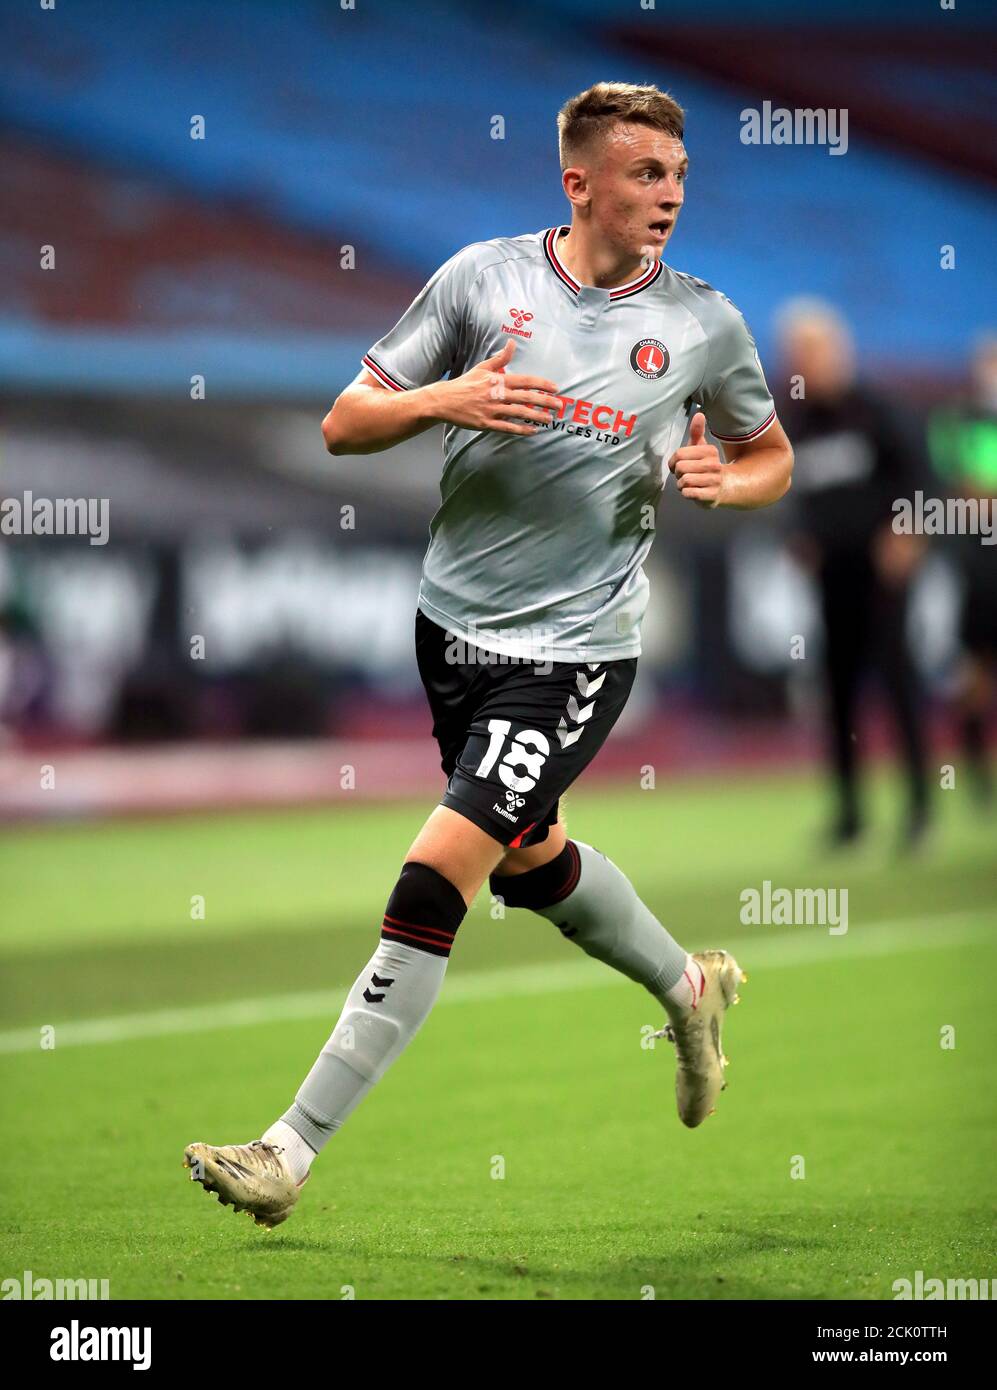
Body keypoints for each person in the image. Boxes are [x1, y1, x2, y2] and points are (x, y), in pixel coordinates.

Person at [184, 81, 793, 1229]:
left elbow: (770, 456)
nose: (667, 196)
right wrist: (447, 397)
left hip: (578, 654)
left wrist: (726, 479)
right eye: (643, 175)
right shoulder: (481, 281)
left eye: (677, 176)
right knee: (527, 856)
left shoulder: (705, 322)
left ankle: (286, 1153)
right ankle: (688, 986)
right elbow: (343, 421)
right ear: (579, 183)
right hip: (451, 631)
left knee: (436, 877)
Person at [776, 300, 931, 852]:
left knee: (898, 687)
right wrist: (798, 539)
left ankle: (919, 811)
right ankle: (849, 816)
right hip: (833, 580)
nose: (801, 364)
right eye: (794, 354)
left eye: (810, 352)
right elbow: (790, 494)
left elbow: (922, 477)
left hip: (881, 577)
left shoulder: (877, 410)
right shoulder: (798, 422)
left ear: (836, 352)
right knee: (838, 696)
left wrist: (908, 534)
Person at [928, 334, 997, 806]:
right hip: (977, 564)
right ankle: (976, 775)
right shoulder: (958, 423)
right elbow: (965, 492)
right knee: (974, 668)